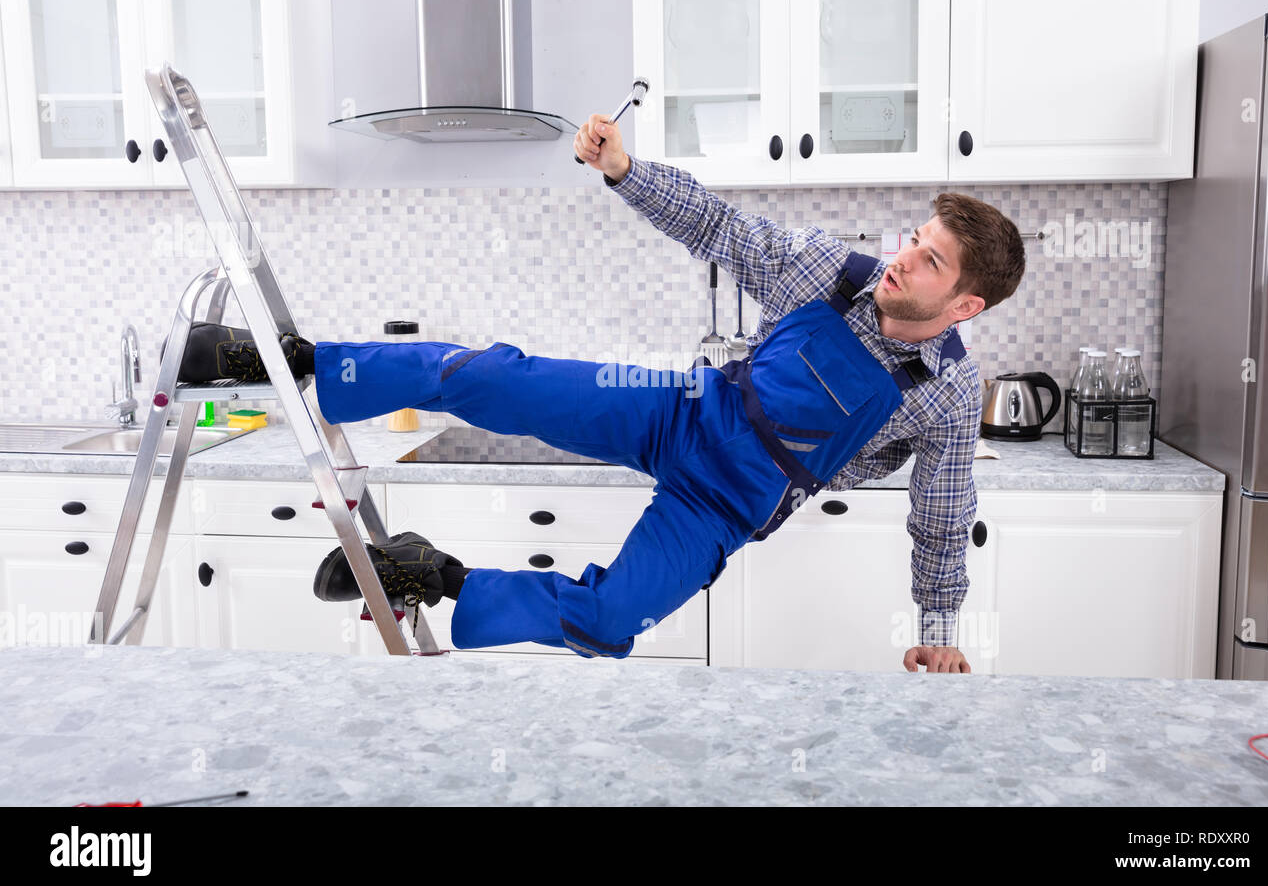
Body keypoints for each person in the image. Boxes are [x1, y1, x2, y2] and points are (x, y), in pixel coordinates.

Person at [174, 113, 1025, 673]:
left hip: (725, 508)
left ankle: (433, 574)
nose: (901, 258)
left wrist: (939, 637)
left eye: (929, 261)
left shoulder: (947, 394)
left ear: (965, 304)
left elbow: (943, 520)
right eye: (914, 237)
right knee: (494, 381)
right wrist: (624, 169)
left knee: (610, 622)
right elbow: (720, 228)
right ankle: (304, 357)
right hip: (679, 411)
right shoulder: (829, 272)